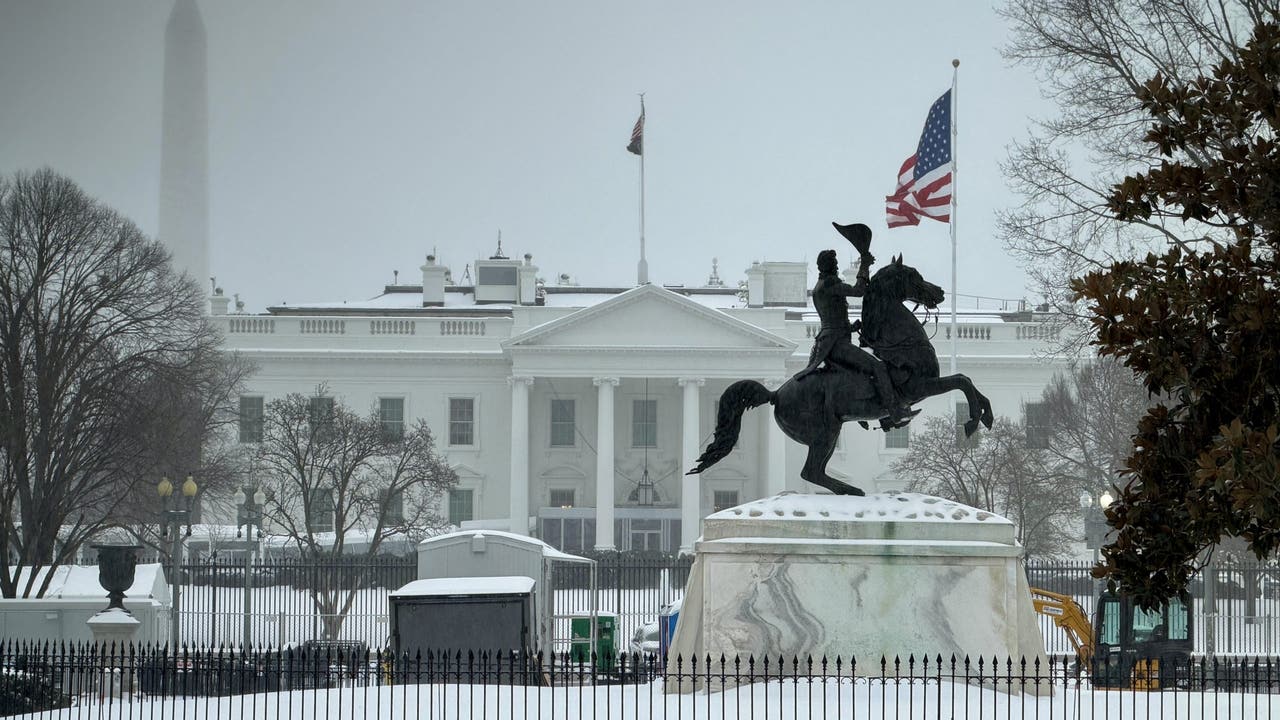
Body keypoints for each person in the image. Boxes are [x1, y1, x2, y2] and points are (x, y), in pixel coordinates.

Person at [795, 224, 916, 428]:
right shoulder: (829, 285)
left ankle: (865, 409)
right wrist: (864, 264)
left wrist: (851, 327)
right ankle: (893, 412)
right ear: (826, 266)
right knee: (877, 366)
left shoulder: (821, 287)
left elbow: (832, 319)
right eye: (833, 263)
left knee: (862, 371)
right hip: (835, 345)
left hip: (831, 339)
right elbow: (859, 291)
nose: (835, 266)